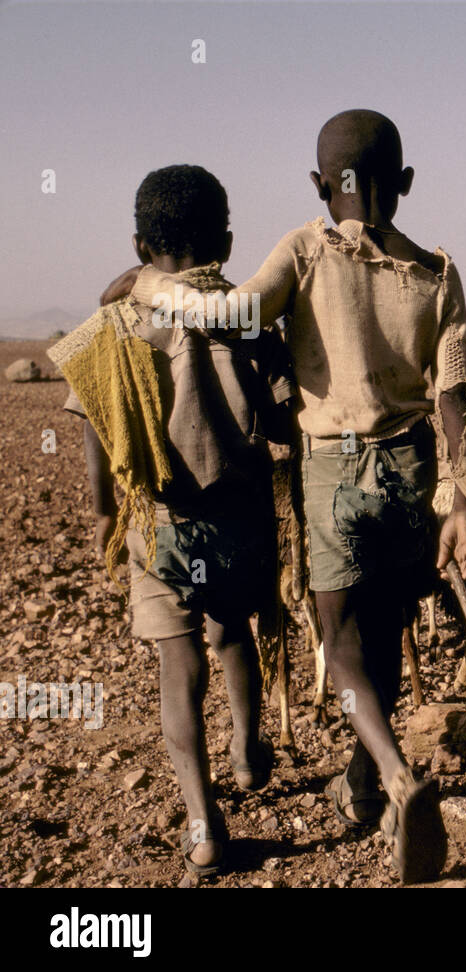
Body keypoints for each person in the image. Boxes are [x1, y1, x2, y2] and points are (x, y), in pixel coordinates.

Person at [115, 110, 466, 884]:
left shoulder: (304, 249)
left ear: (321, 188)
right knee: (383, 633)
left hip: (334, 473)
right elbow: (456, 393)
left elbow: (231, 314)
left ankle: (391, 772)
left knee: (342, 648)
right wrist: (463, 502)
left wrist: (151, 284)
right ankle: (358, 783)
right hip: (411, 471)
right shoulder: (439, 274)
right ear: (407, 185)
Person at [51, 164, 295, 879]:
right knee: (236, 632)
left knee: (177, 664)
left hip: (157, 526)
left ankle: (204, 823)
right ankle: (249, 753)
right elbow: (282, 419)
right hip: (241, 519)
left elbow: (99, 438)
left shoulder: (108, 328)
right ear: (225, 236)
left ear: (137, 242)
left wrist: (103, 514)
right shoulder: (248, 315)